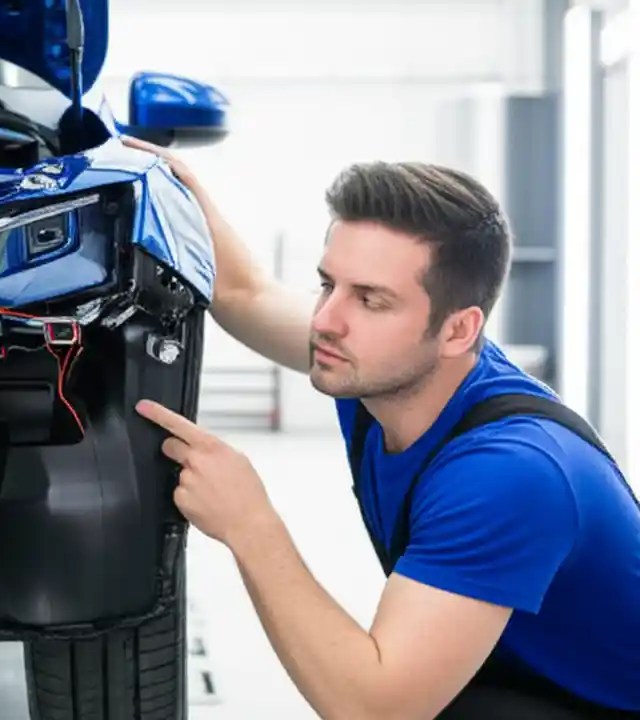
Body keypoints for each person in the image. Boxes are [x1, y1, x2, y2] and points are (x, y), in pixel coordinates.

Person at [120, 135, 640, 719]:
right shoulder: (390, 366)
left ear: (458, 330)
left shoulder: (509, 473)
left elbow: (374, 711)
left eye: (371, 300)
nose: (327, 320)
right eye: (327, 284)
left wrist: (250, 524)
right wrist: (172, 191)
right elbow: (246, 293)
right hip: (529, 682)